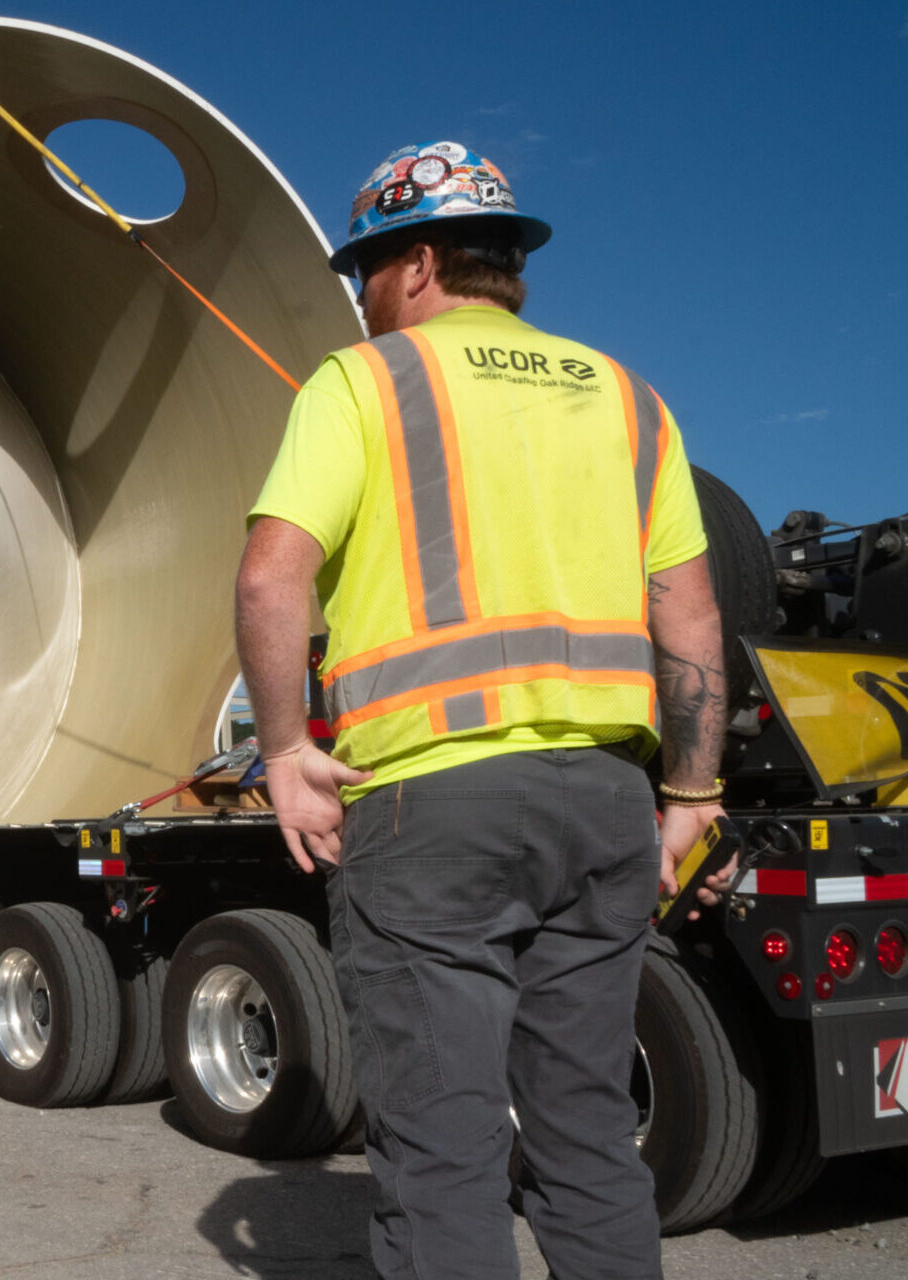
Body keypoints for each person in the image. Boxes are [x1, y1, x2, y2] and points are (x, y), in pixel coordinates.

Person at [233, 142, 736, 1280]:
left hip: (431, 807)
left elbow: (271, 576)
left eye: (361, 272)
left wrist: (283, 750)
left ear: (414, 263)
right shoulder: (629, 399)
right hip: (607, 807)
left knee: (443, 1151)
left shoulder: (364, 380)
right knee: (590, 1135)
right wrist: (692, 794)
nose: (358, 300)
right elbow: (691, 621)